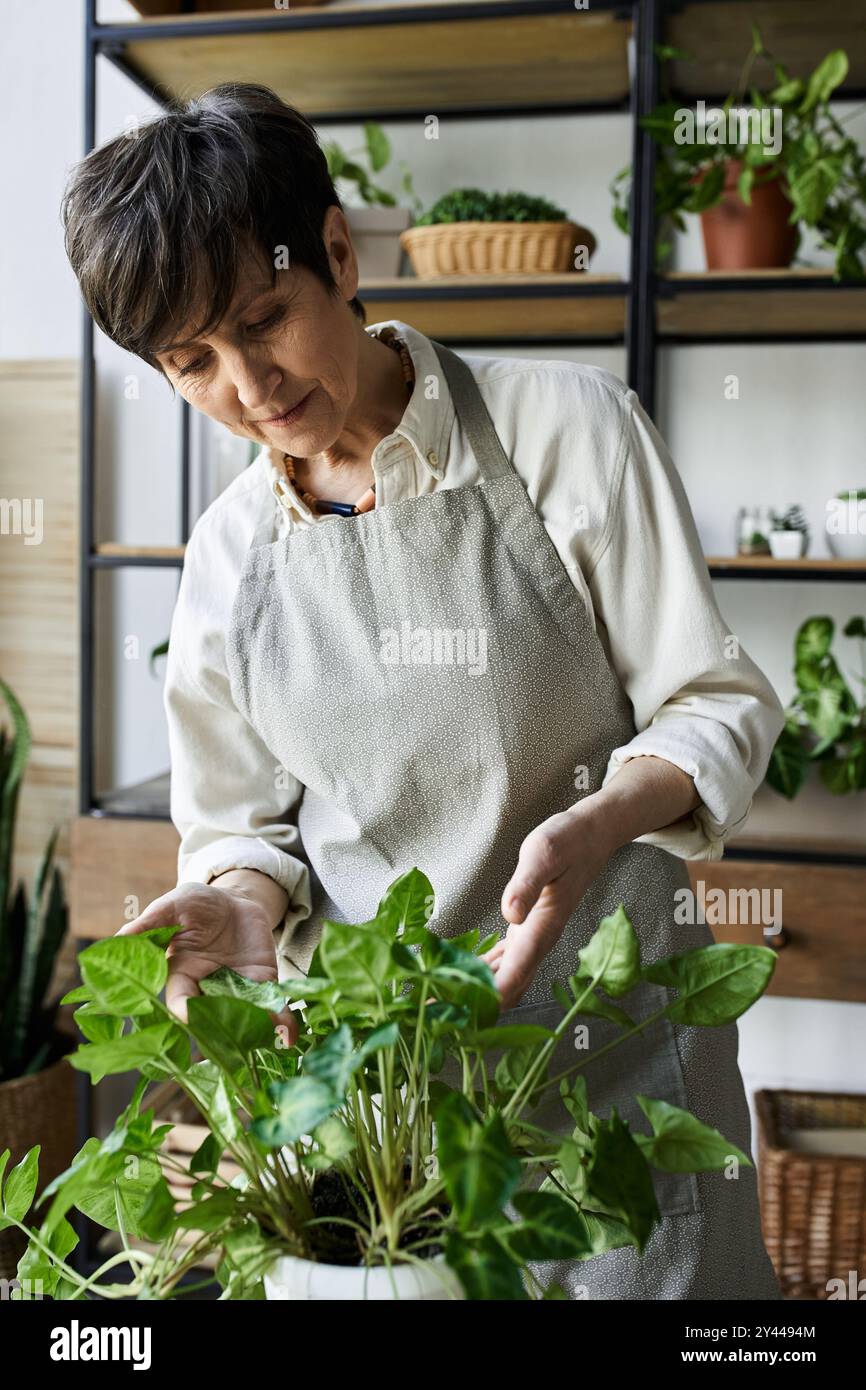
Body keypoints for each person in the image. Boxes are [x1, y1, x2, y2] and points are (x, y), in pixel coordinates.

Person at [62, 81, 785, 1299]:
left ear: (337, 254)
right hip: (383, 1140)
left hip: (613, 1082)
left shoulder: (568, 432)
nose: (247, 387)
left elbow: (712, 701)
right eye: (192, 363)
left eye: (263, 319)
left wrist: (600, 815)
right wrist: (239, 902)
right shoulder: (228, 557)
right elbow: (243, 824)